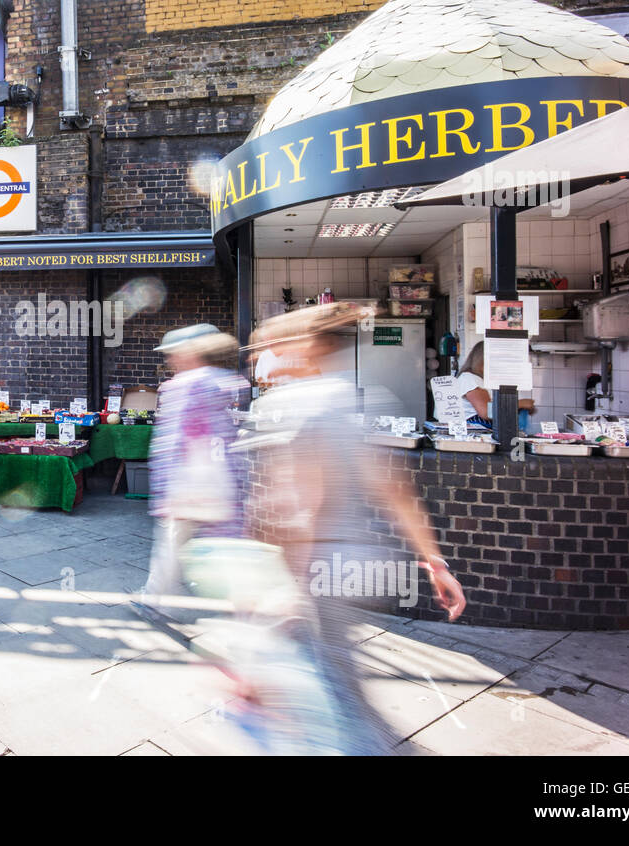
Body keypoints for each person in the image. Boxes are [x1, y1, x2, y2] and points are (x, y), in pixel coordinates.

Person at [233, 302, 465, 754]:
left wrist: (275, 583)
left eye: (271, 347)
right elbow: (394, 489)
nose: (263, 357)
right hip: (351, 564)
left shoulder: (290, 406)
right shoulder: (346, 398)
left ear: (302, 348)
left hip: (313, 570)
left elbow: (299, 505)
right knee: (338, 684)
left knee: (325, 692)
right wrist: (435, 562)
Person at [133, 324, 248, 619]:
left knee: (172, 541)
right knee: (224, 544)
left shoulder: (181, 386)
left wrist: (163, 488)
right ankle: (242, 604)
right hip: (220, 477)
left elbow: (172, 441)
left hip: (187, 480)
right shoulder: (226, 382)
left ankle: (154, 599)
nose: (170, 360)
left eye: (173, 354)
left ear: (189, 353)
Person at [436, 341, 534, 431]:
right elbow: (486, 412)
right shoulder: (469, 379)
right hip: (473, 434)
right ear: (482, 360)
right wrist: (520, 404)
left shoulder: (479, 380)